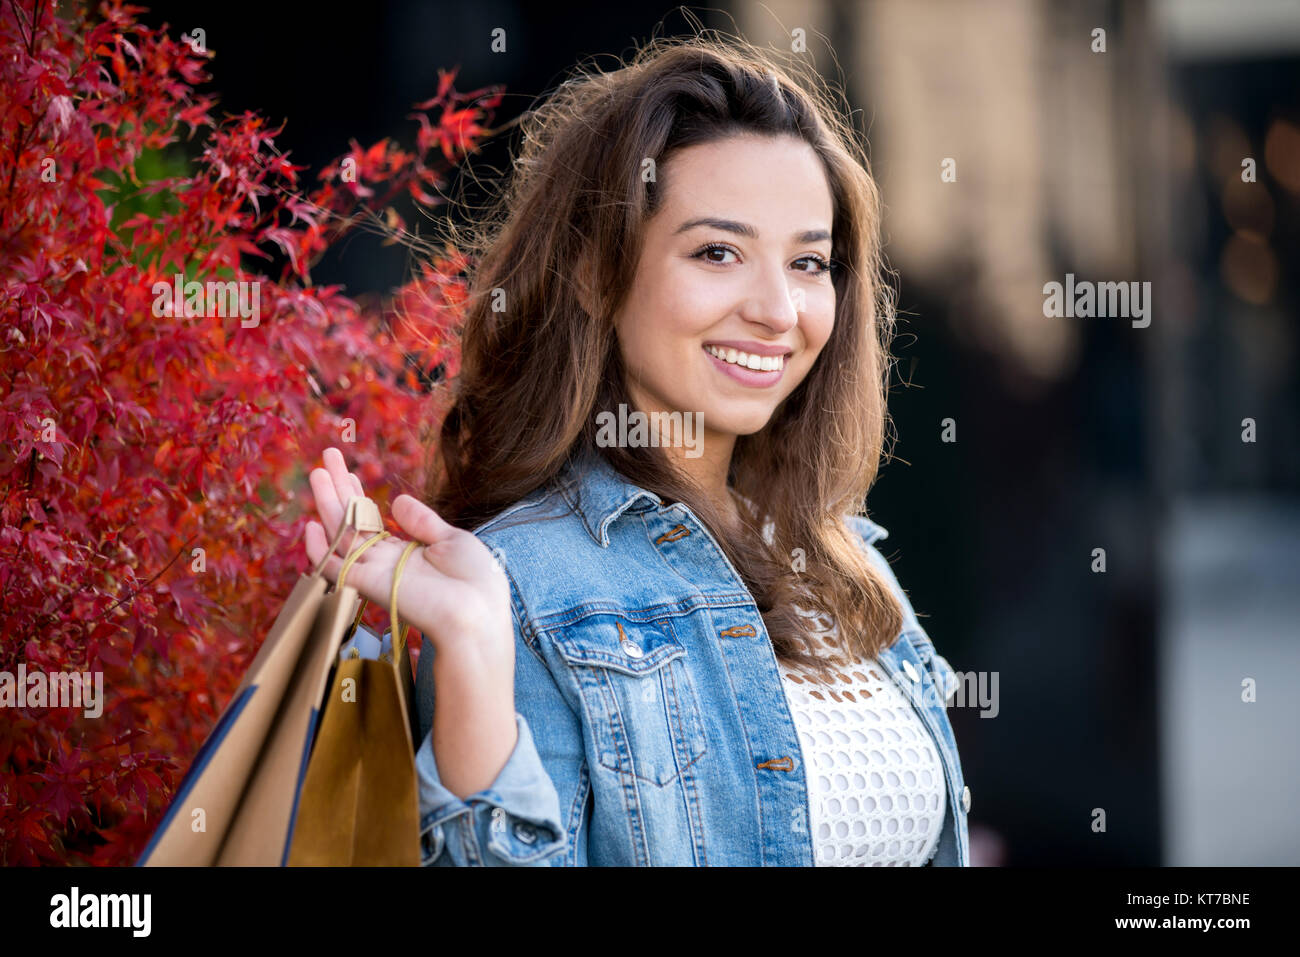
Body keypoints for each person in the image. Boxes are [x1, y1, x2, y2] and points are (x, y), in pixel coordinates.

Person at [305, 31, 970, 866]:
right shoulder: (522, 587)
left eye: (809, 261)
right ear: (595, 270)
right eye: (718, 252)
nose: (777, 309)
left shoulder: (851, 565)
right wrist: (473, 650)